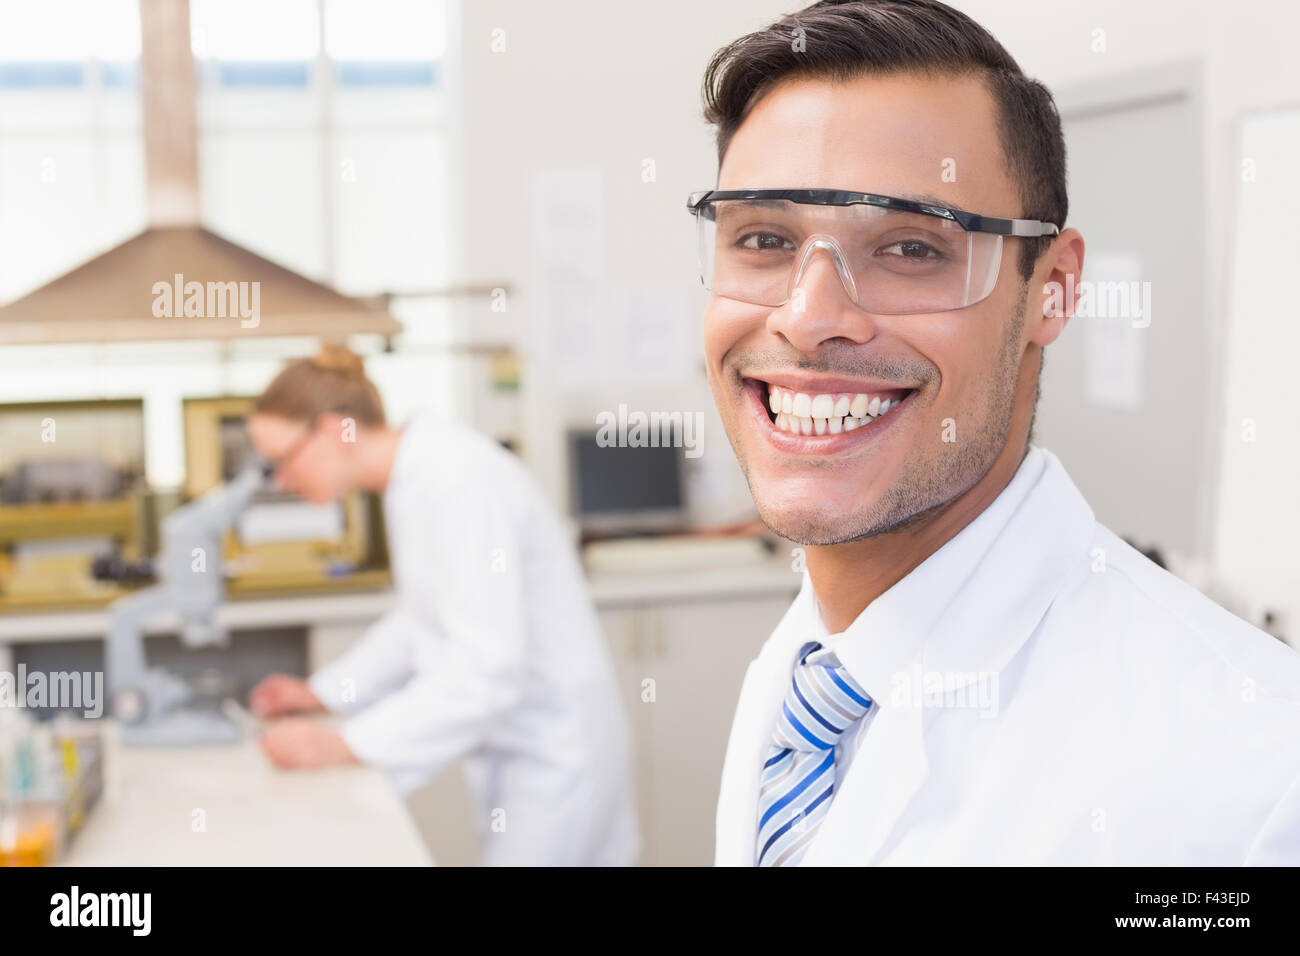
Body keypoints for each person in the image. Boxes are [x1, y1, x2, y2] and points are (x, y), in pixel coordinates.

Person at [691, 0, 1300, 865]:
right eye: (763, 238)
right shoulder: (810, 674)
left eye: (910, 248)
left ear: (1050, 288)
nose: (808, 317)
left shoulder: (1254, 784)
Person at [245, 344, 637, 866]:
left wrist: (346, 745)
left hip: (555, 755)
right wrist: (323, 692)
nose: (280, 479)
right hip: (523, 753)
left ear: (335, 428)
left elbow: (487, 671)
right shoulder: (415, 479)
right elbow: (422, 618)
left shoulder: (455, 481)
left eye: (280, 459)